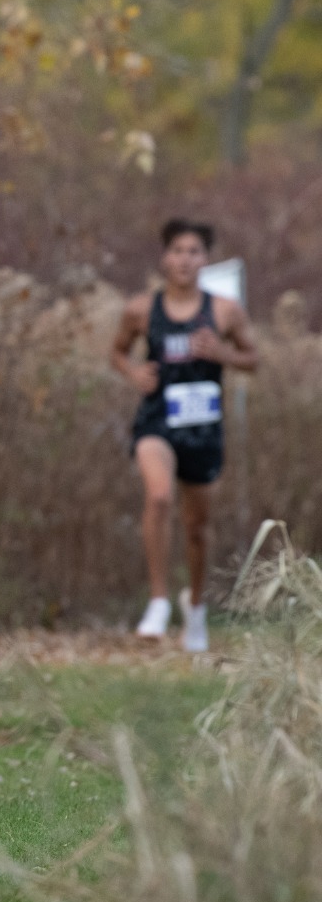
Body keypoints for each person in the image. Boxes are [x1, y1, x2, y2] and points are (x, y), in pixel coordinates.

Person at [109, 218, 257, 652]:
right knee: (158, 497)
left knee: (197, 528)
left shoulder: (224, 310)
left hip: (203, 429)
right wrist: (134, 371)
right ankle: (158, 601)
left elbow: (253, 358)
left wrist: (223, 353)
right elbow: (117, 351)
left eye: (194, 251)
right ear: (164, 257)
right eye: (177, 250)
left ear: (205, 260)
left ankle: (195, 608)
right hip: (157, 420)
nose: (184, 259)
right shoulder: (141, 309)